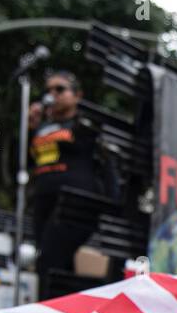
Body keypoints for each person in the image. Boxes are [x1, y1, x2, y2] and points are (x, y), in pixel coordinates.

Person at [27, 70, 119, 298]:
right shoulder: (39, 128)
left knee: (49, 261)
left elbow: (107, 164)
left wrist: (114, 204)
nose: (52, 95)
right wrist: (29, 126)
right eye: (48, 90)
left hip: (75, 203)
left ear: (77, 95)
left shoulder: (85, 126)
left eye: (60, 89)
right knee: (55, 263)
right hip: (43, 202)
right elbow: (17, 160)